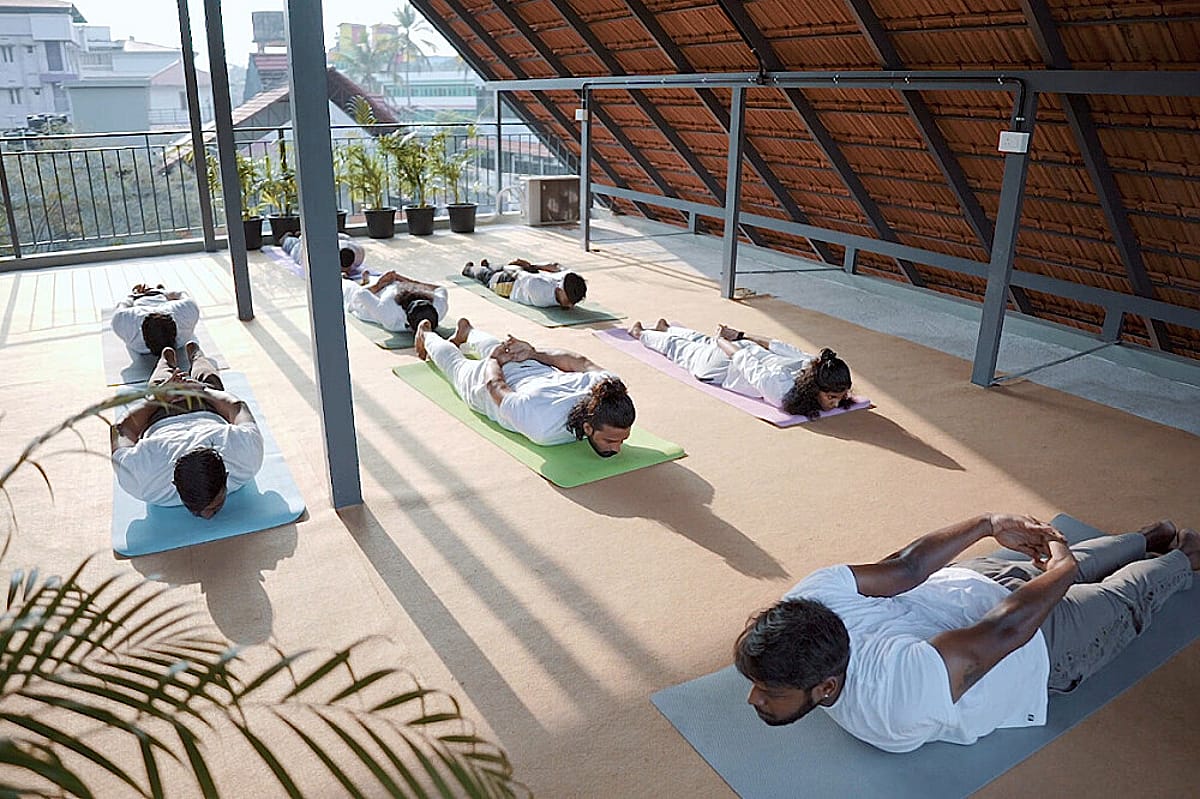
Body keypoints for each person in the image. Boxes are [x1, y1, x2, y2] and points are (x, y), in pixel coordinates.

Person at [734, 514, 1199, 753]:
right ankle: (1162, 546)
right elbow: (1000, 628)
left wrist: (989, 523)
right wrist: (1062, 567)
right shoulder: (889, 697)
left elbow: (911, 569)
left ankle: (1168, 548)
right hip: (1004, 621)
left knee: (1104, 583)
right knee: (1100, 583)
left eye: (768, 689)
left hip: (1005, 614)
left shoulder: (887, 692)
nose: (753, 699)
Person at [414, 317, 635, 455]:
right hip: (488, 387)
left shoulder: (609, 389)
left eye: (621, 440)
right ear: (587, 428)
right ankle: (426, 335)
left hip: (530, 367)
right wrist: (495, 360)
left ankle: (468, 331)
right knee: (455, 365)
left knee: (504, 349)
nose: (617, 448)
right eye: (610, 441)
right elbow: (494, 385)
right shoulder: (542, 424)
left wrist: (533, 354)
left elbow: (578, 361)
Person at [111, 341, 264, 519]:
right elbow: (236, 408)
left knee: (162, 388)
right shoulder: (246, 455)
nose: (207, 516)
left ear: (226, 475)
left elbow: (121, 428)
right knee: (211, 386)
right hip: (198, 411)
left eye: (216, 505)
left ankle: (189, 358)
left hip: (167, 415)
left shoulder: (139, 478)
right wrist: (203, 391)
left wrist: (157, 399)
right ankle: (172, 360)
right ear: (173, 483)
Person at [628, 319, 854, 418]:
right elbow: (745, 358)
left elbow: (777, 347)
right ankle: (641, 333)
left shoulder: (814, 366)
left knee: (703, 342)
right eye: (831, 397)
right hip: (719, 367)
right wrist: (727, 339)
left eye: (840, 397)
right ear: (814, 386)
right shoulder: (783, 392)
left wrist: (736, 337)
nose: (835, 404)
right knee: (679, 349)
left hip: (741, 351)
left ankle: (667, 328)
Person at [110, 283, 200, 357]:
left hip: (140, 300)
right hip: (160, 298)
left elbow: (122, 305)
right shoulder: (185, 311)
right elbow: (180, 294)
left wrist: (134, 295)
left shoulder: (124, 320)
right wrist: (161, 292)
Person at [343, 270, 449, 332]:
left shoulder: (390, 318)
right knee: (387, 281)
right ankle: (369, 279)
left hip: (370, 305)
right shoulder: (439, 306)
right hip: (393, 287)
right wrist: (404, 279)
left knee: (350, 288)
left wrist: (378, 285)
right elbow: (441, 289)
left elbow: (360, 294)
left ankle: (361, 281)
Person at [461, 258, 587, 309]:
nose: (571, 304)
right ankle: (490, 266)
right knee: (501, 269)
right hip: (523, 277)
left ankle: (469, 270)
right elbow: (556, 266)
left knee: (488, 277)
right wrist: (533, 266)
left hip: (511, 286)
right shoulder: (567, 279)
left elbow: (516, 272)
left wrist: (521, 266)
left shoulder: (540, 294)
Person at [279, 231, 368, 280]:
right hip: (299, 249)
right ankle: (289, 237)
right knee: (289, 243)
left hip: (319, 241)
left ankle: (299, 235)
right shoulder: (322, 258)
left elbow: (344, 236)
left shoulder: (359, 252)